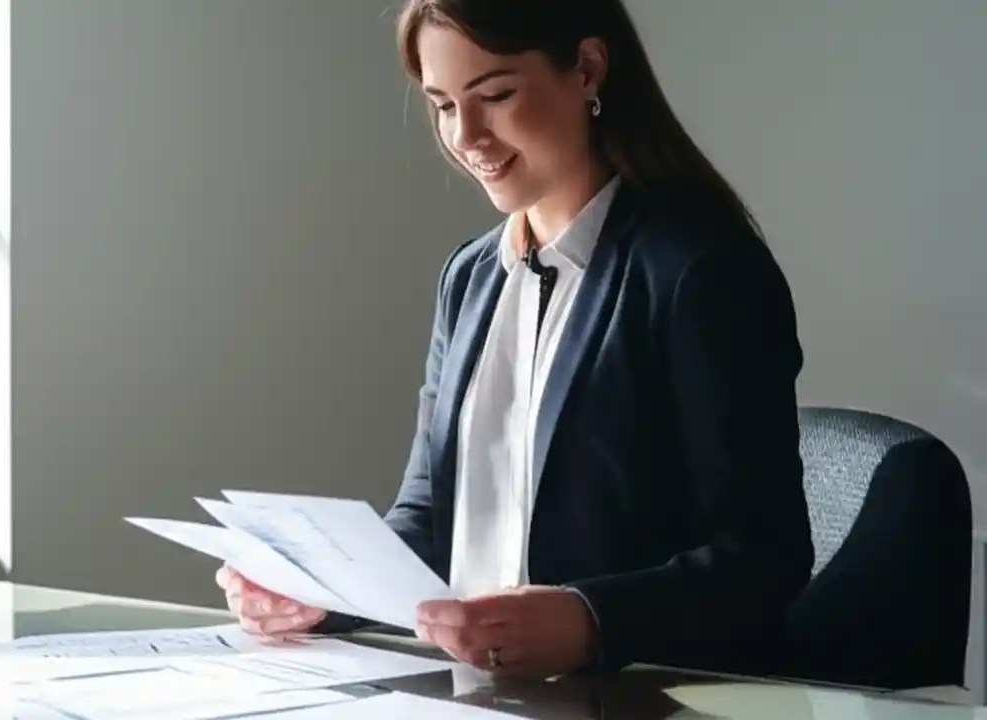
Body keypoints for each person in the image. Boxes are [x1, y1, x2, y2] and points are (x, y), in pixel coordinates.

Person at [217, 0, 812, 678]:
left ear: (587, 69)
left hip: (636, 697)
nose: (465, 135)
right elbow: (429, 520)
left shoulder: (700, 271)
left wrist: (591, 620)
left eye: (495, 95)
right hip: (474, 691)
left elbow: (763, 557)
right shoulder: (470, 277)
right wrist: (319, 590)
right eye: (443, 105)